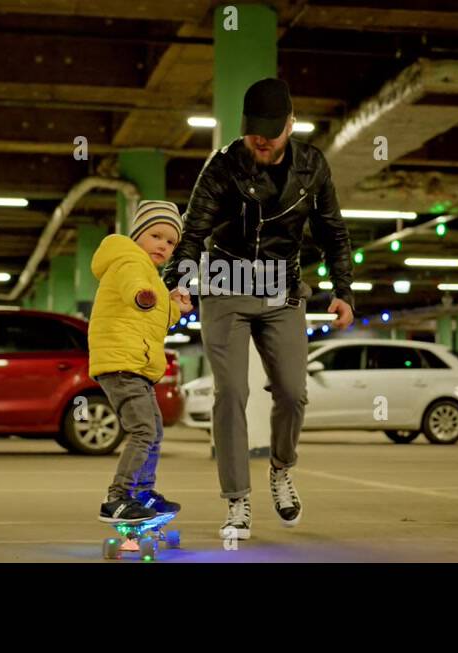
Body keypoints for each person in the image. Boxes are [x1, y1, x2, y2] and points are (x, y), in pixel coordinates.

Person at [162, 78, 355, 540]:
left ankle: (281, 469)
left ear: (291, 124)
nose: (261, 141)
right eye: (253, 132)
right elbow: (193, 233)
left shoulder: (312, 166)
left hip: (281, 291)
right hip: (225, 287)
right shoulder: (222, 168)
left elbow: (333, 232)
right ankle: (236, 501)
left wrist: (343, 289)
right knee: (231, 395)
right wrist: (180, 282)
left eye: (271, 131)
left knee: (292, 391)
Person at [90, 200, 193, 523]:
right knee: (143, 430)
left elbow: (152, 318)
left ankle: (143, 491)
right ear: (137, 236)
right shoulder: (129, 262)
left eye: (170, 241)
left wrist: (172, 306)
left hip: (135, 366)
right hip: (122, 363)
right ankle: (118, 497)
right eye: (156, 236)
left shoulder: (150, 274)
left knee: (154, 429)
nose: (162, 245)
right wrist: (145, 295)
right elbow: (135, 291)